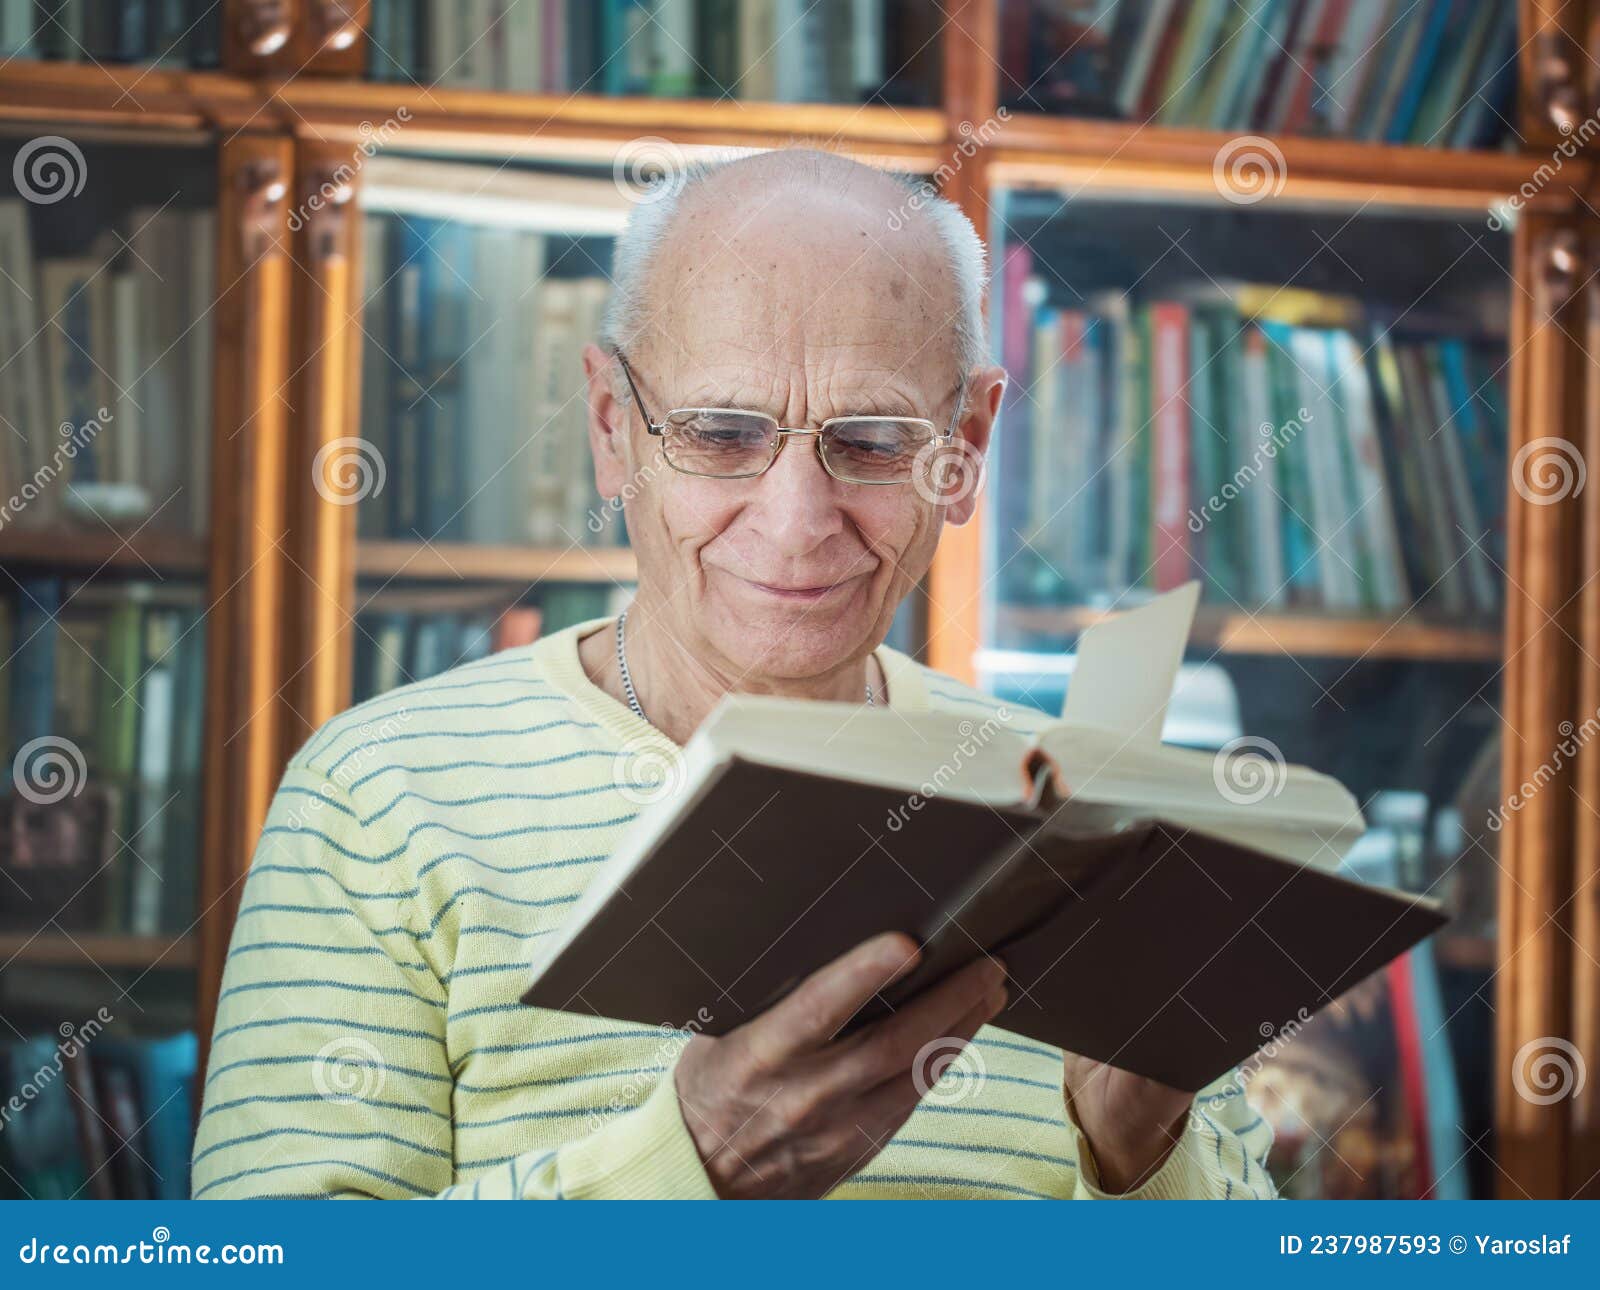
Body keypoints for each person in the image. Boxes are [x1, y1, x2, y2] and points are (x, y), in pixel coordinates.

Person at [192, 147, 1274, 1200]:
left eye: (871, 440)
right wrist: (687, 1170)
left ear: (968, 444)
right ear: (614, 428)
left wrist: (1140, 1161)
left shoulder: (1066, 813)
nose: (796, 524)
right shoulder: (380, 795)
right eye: (719, 434)